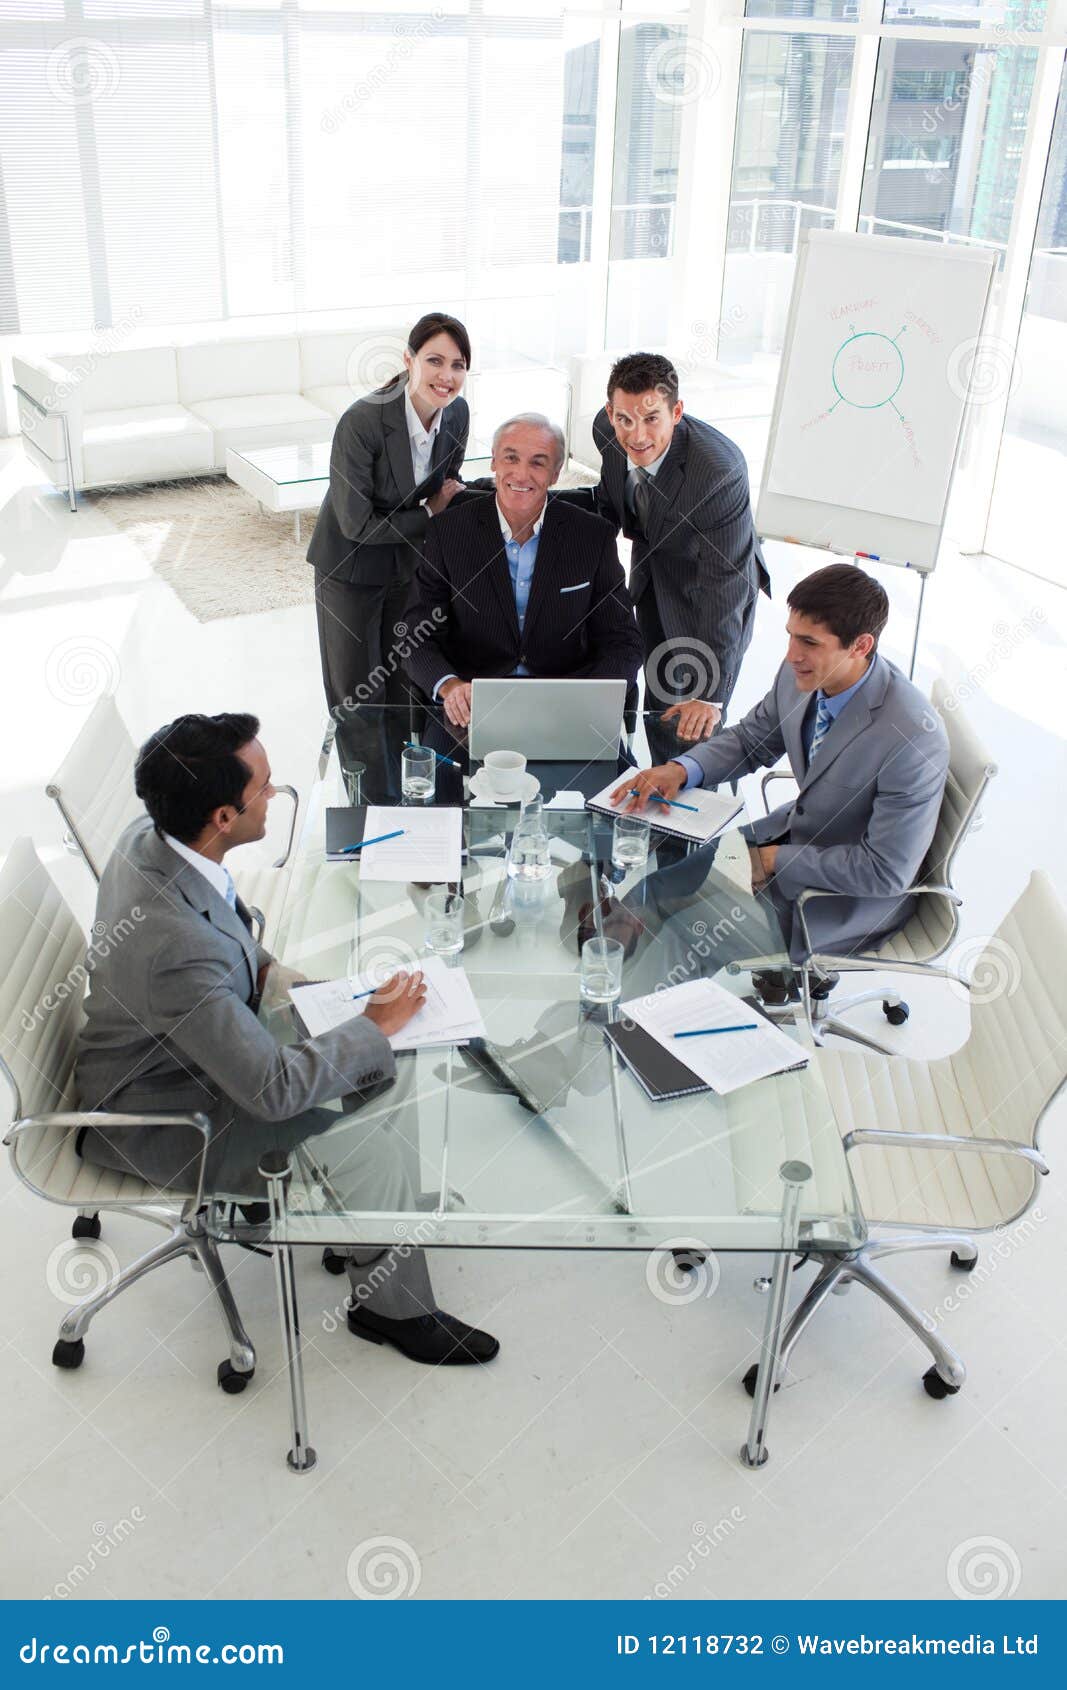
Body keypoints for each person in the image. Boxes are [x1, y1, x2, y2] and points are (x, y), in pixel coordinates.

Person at [74, 712, 499, 1367]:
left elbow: (226, 934)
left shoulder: (153, 837)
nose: (274, 796)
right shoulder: (176, 950)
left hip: (194, 1044)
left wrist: (294, 982)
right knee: (365, 1133)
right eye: (264, 788)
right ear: (222, 816)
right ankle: (391, 1310)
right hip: (161, 1113)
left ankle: (364, 1219)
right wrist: (369, 1025)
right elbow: (272, 1092)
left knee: (393, 1050)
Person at [609, 564, 949, 991]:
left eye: (809, 642)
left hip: (835, 902)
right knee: (649, 894)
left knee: (684, 932)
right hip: (784, 841)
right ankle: (589, 1004)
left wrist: (771, 860)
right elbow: (752, 739)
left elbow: (884, 871)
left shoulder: (911, 736)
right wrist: (682, 769)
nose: (791, 654)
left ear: (860, 645)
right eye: (791, 635)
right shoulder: (801, 675)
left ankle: (622, 1044)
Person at [569, 351, 770, 764]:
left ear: (676, 411)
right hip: (655, 572)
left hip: (707, 592)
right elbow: (612, 500)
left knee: (692, 726)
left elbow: (725, 588)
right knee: (660, 710)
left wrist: (710, 696)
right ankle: (657, 805)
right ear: (610, 412)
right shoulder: (605, 431)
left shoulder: (718, 471)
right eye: (624, 418)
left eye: (651, 419)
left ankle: (696, 817)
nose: (636, 434)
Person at [307, 312, 471, 800]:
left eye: (458, 365)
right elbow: (356, 522)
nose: (447, 375)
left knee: (403, 688)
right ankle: (367, 806)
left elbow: (443, 487)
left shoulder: (458, 414)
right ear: (409, 360)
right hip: (349, 570)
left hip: (404, 566)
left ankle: (404, 797)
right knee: (359, 697)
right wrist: (431, 515)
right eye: (435, 360)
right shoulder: (363, 421)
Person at [403, 412, 644, 735]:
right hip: (472, 707)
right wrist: (449, 686)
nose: (521, 473)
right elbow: (414, 635)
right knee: (437, 785)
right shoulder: (447, 533)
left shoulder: (593, 536)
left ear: (556, 473)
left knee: (625, 786)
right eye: (511, 458)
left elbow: (623, 641)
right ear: (494, 463)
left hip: (567, 707)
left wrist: (591, 698)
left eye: (538, 462)